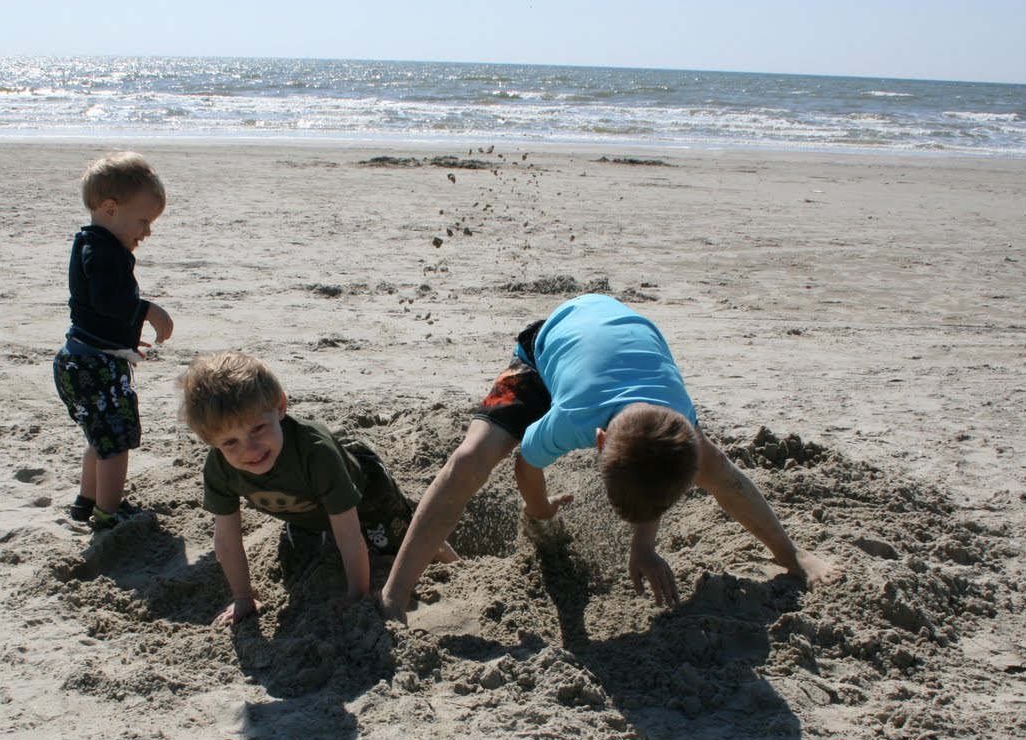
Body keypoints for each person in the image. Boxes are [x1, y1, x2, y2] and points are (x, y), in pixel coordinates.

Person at [379, 293, 838, 622]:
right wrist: (539, 515)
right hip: (543, 352)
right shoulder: (573, 418)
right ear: (597, 442)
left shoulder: (682, 425)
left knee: (721, 470)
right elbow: (527, 463)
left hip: (619, 343)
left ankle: (790, 552)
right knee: (469, 461)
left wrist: (644, 546)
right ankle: (395, 596)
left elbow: (657, 476)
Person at [178, 352, 457, 627]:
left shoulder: (316, 453)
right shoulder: (220, 466)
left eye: (258, 428)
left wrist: (356, 596)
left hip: (367, 495)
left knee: (401, 541)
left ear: (280, 406)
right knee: (300, 559)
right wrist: (243, 598)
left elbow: (349, 533)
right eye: (230, 443)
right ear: (211, 442)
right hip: (307, 508)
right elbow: (226, 541)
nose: (249, 450)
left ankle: (455, 562)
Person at [53, 152, 175, 532]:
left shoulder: (94, 244)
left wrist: (123, 342)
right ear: (109, 208)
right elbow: (109, 301)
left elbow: (96, 311)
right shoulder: (103, 251)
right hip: (94, 365)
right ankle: (108, 513)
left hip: (86, 356)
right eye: (142, 221)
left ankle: (85, 503)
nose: (147, 232)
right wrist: (147, 310)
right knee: (116, 443)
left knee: (100, 438)